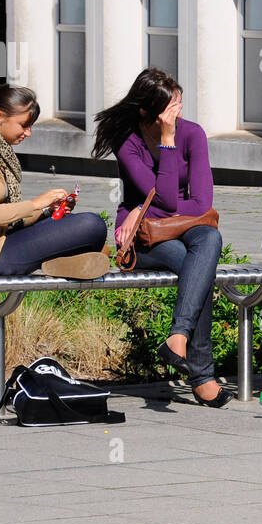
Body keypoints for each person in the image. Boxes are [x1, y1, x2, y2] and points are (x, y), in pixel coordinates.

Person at [93, 68, 229, 407]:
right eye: (169, 109)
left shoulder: (194, 134)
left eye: (179, 105)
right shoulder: (128, 141)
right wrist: (167, 144)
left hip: (180, 222)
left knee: (209, 241)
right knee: (191, 264)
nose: (177, 114)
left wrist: (144, 206)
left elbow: (202, 204)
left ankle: (178, 336)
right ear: (146, 111)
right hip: (142, 234)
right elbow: (167, 199)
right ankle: (202, 376)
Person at [0, 85, 107, 279]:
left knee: (85, 225)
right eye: (24, 125)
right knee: (91, 225)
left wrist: (47, 209)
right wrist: (36, 203)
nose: (29, 132)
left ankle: (63, 262)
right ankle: (64, 260)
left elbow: (10, 219)